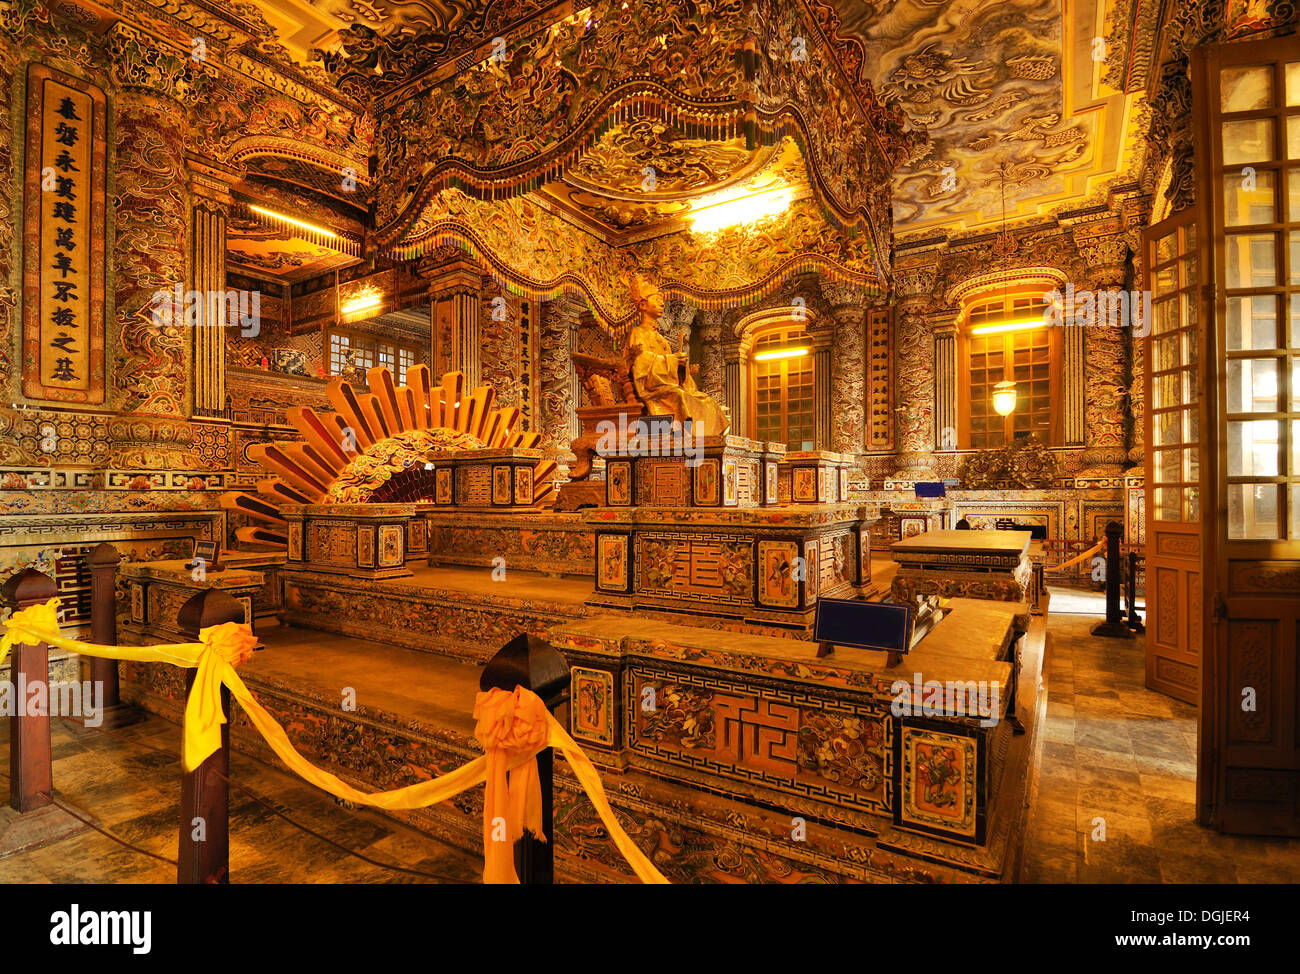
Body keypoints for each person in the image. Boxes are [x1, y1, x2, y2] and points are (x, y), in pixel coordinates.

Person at [624, 274, 730, 437]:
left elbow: (672, 370)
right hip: (652, 389)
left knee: (705, 400)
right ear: (644, 305)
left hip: (667, 384)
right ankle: (688, 437)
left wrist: (681, 367)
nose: (661, 303)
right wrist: (672, 361)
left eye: (662, 300)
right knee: (679, 395)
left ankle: (710, 438)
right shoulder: (637, 333)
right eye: (656, 300)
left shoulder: (661, 339)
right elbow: (640, 364)